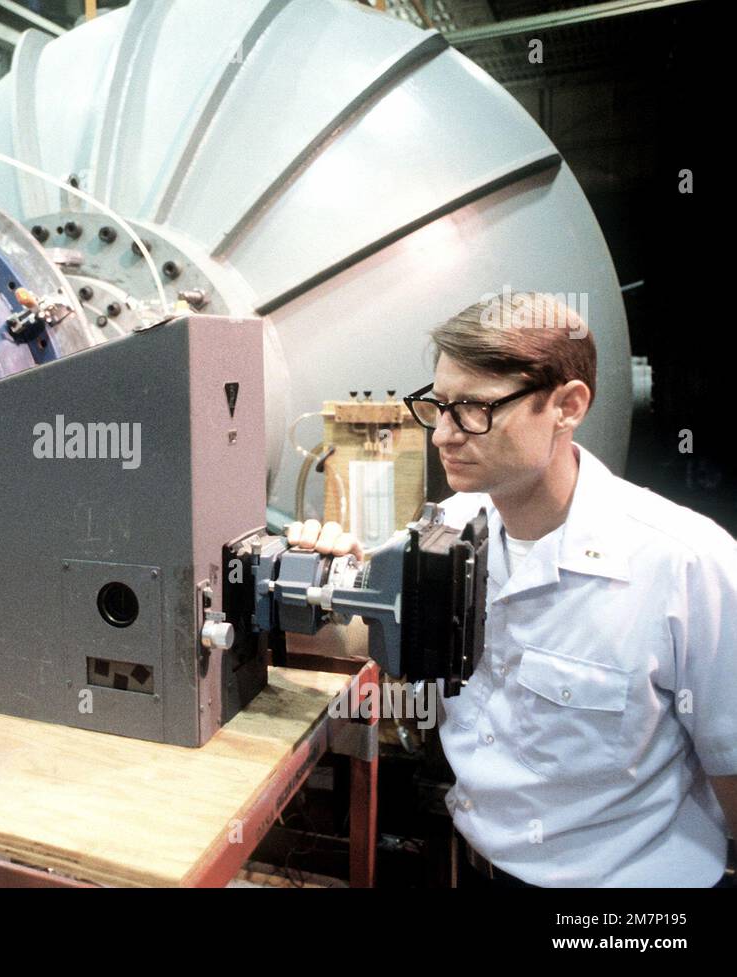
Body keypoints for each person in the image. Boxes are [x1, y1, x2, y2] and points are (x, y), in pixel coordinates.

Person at [289, 291, 736, 887]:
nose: (444, 435)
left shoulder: (686, 564)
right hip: (472, 867)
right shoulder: (445, 529)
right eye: (439, 406)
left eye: (473, 409)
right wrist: (326, 584)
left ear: (567, 406)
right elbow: (357, 636)